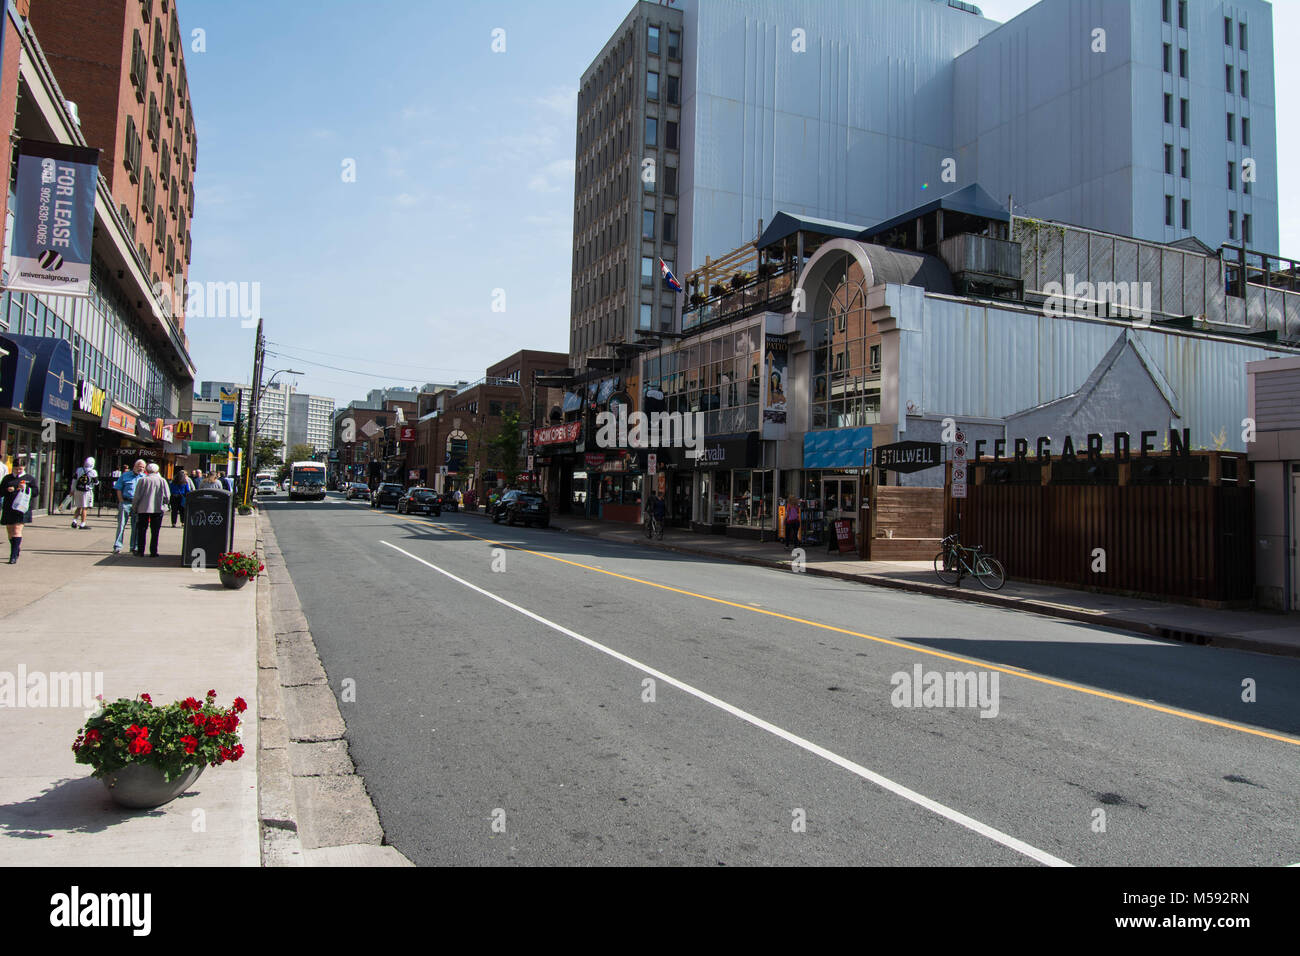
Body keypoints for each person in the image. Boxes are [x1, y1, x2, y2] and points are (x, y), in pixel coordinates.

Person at [1, 460, 38, 564]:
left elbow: (35, 492)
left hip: (22, 508)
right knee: (10, 531)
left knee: (17, 530)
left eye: (20, 469)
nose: (18, 471)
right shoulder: (7, 478)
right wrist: (7, 490)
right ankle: (16, 548)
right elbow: (0, 492)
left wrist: (26, 488)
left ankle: (13, 556)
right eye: (16, 469)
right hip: (9, 507)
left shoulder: (29, 479)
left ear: (24, 467)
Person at [132, 463, 170, 557]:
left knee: (142, 530)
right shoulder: (162, 480)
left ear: (147, 470)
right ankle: (153, 551)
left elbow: (137, 496)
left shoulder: (142, 480)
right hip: (157, 508)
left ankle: (141, 551)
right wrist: (165, 504)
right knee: (155, 531)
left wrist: (135, 507)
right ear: (157, 471)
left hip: (143, 508)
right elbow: (167, 495)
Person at [113, 460, 146, 554]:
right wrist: (121, 501)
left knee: (136, 526)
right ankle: (117, 546)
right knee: (121, 525)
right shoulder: (125, 475)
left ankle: (134, 547)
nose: (141, 468)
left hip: (138, 504)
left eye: (143, 467)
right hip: (126, 502)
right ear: (134, 466)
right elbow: (118, 488)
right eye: (139, 466)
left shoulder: (144, 478)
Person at [71, 457, 98, 529]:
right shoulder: (93, 472)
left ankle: (74, 521)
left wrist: (72, 490)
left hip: (78, 490)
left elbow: (74, 480)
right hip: (86, 491)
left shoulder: (79, 470)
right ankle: (82, 524)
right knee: (84, 507)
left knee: (78, 507)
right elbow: (96, 482)